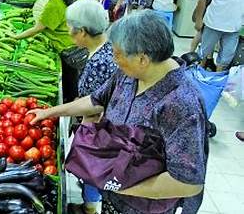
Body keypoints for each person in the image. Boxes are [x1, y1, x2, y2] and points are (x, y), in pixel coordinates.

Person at [30, 12, 207, 214]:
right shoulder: (129, 74)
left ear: (143, 58)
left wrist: (121, 186)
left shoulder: (181, 104)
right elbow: (96, 100)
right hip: (113, 194)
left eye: (118, 54)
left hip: (142, 207)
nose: (114, 59)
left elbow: (188, 182)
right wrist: (49, 113)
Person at [65, 0, 117, 214]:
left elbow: (94, 106)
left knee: (93, 170)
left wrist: (66, 109)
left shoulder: (99, 62)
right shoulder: (107, 47)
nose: (69, 33)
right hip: (102, 128)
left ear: (83, 32)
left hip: (99, 131)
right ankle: (90, 204)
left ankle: (90, 209)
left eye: (72, 29)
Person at [14, 0, 82, 102]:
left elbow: (36, 29)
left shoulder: (53, 5)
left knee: (69, 82)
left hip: (66, 48)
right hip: (78, 42)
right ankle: (75, 102)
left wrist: (15, 37)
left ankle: (72, 108)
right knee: (74, 78)